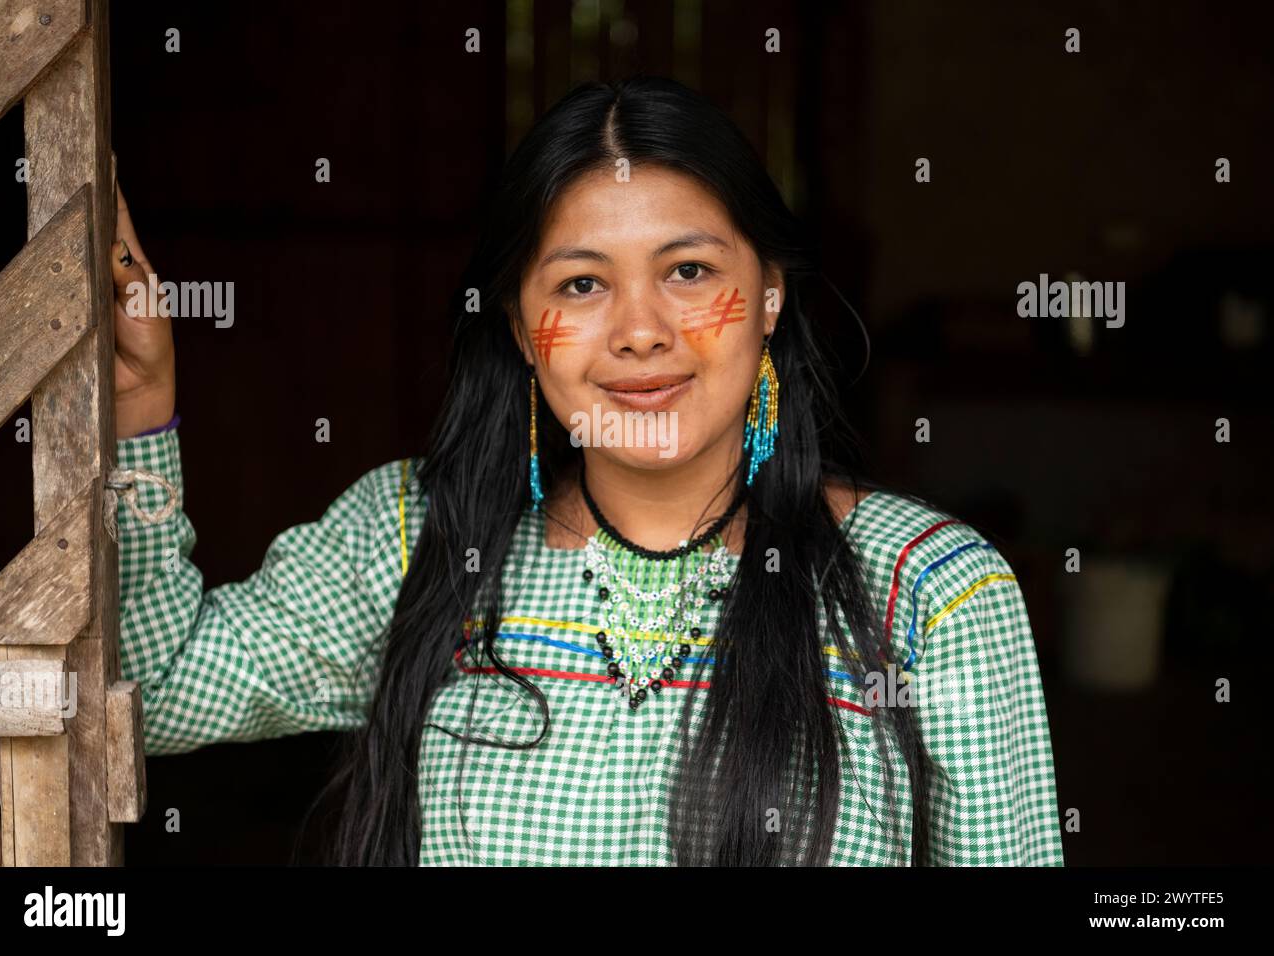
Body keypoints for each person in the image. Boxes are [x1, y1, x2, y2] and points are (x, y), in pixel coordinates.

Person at [109, 76, 1064, 866]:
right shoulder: (419, 540)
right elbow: (151, 688)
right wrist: (141, 412)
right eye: (582, 283)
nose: (642, 330)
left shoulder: (927, 593)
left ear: (770, 295)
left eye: (689, 271)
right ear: (524, 329)